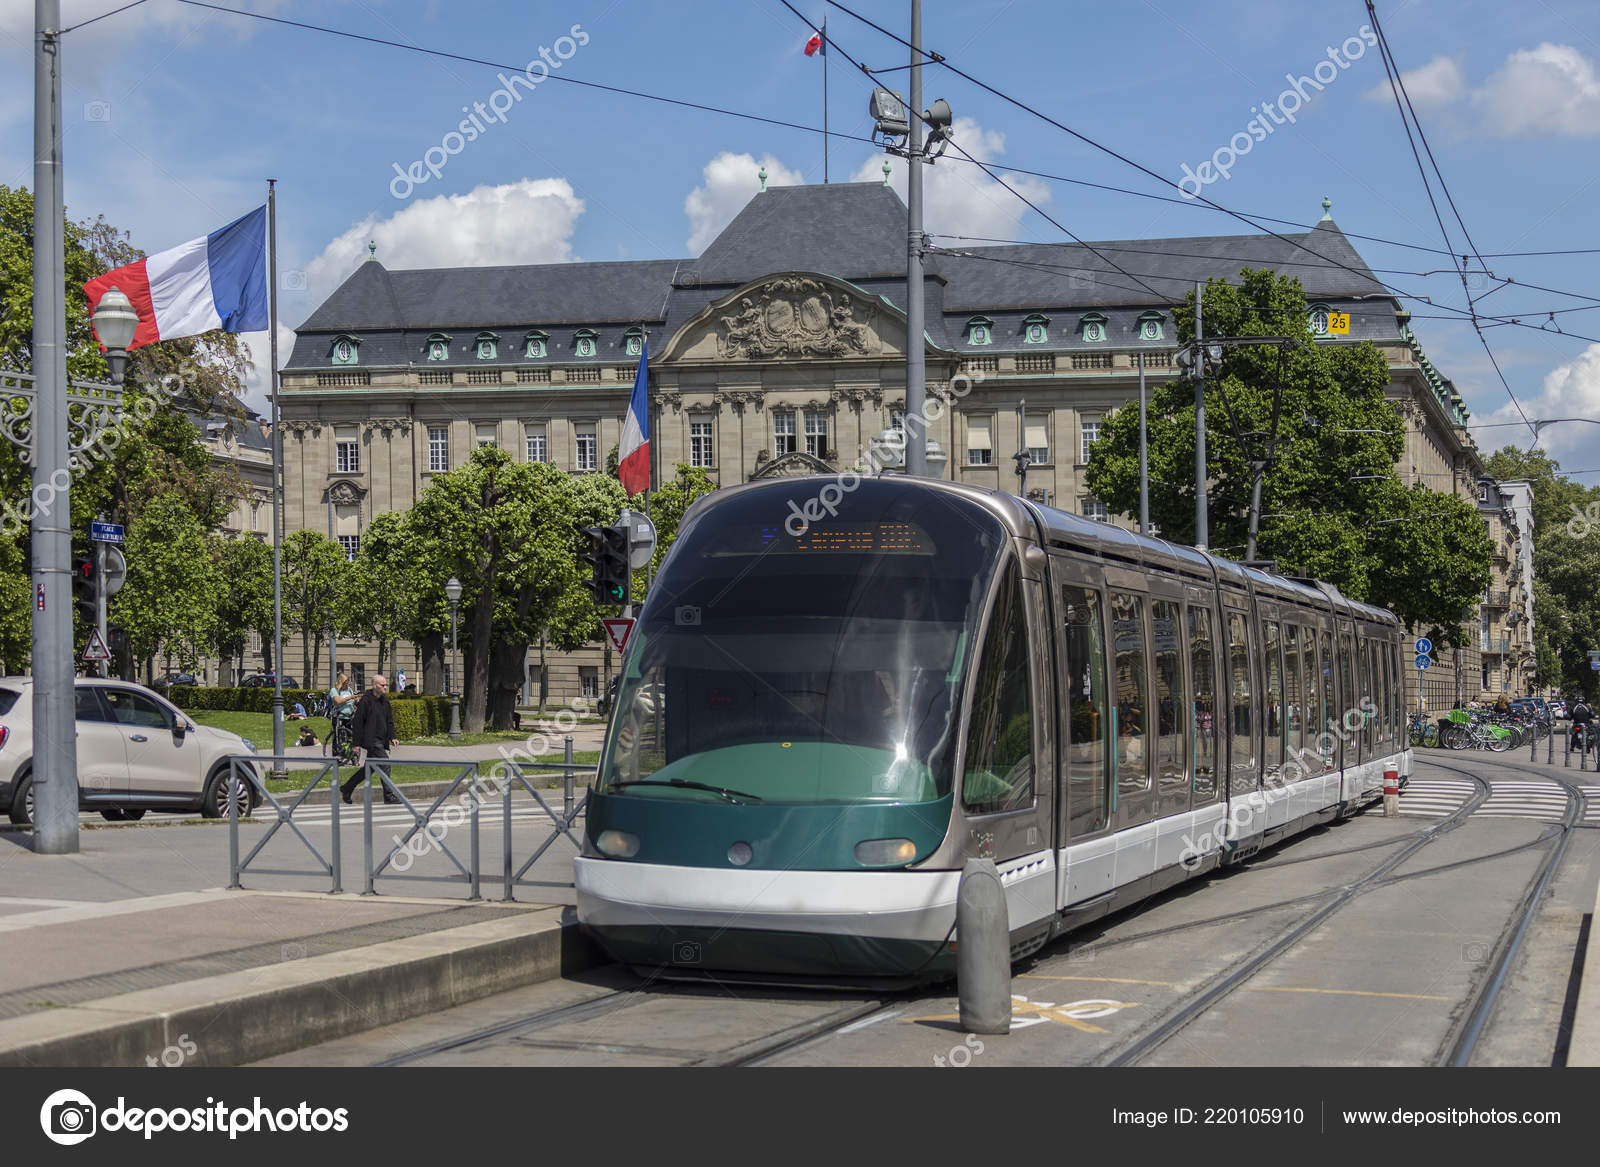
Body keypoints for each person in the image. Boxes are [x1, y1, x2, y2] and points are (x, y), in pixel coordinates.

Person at [341, 673, 399, 804]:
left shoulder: (385, 701)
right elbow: (358, 723)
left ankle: (347, 788)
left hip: (381, 740)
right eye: (382, 685)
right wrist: (356, 744)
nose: (385, 687)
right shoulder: (366, 701)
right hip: (372, 740)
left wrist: (393, 737)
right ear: (374, 686)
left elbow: (389, 720)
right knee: (385, 764)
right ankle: (389, 796)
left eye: (385, 685)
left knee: (369, 769)